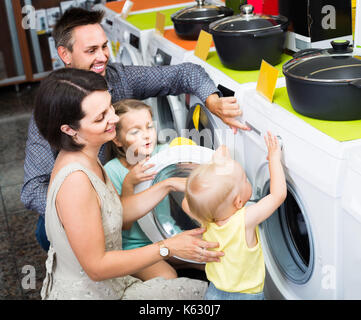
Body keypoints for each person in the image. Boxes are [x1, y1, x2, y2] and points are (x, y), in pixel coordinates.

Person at [21, 7, 249, 251]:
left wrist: (212, 101)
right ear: (64, 54)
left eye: (104, 46)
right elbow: (32, 189)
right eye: (91, 50)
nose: (103, 57)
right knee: (56, 238)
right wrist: (91, 212)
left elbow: (186, 73)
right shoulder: (52, 107)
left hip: (128, 191)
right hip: (81, 206)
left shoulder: (118, 78)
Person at [36, 68, 224, 300]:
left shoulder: (84, 157)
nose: (114, 119)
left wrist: (168, 184)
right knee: (210, 298)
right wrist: (168, 247)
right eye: (100, 117)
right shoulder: (75, 181)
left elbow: (114, 213)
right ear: (69, 130)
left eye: (110, 108)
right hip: (94, 293)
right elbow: (97, 267)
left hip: (112, 283)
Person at [182, 133, 287, 300]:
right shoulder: (245, 219)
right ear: (238, 202)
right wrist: (274, 158)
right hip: (246, 296)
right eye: (245, 180)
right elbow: (278, 195)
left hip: (215, 292)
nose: (247, 181)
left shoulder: (206, 219)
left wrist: (216, 165)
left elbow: (186, 203)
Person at [104, 99, 176, 281]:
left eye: (149, 127)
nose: (147, 135)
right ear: (117, 140)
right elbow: (124, 225)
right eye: (135, 131)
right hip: (135, 248)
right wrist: (129, 183)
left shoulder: (166, 153)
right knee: (167, 277)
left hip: (168, 234)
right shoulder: (112, 170)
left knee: (212, 257)